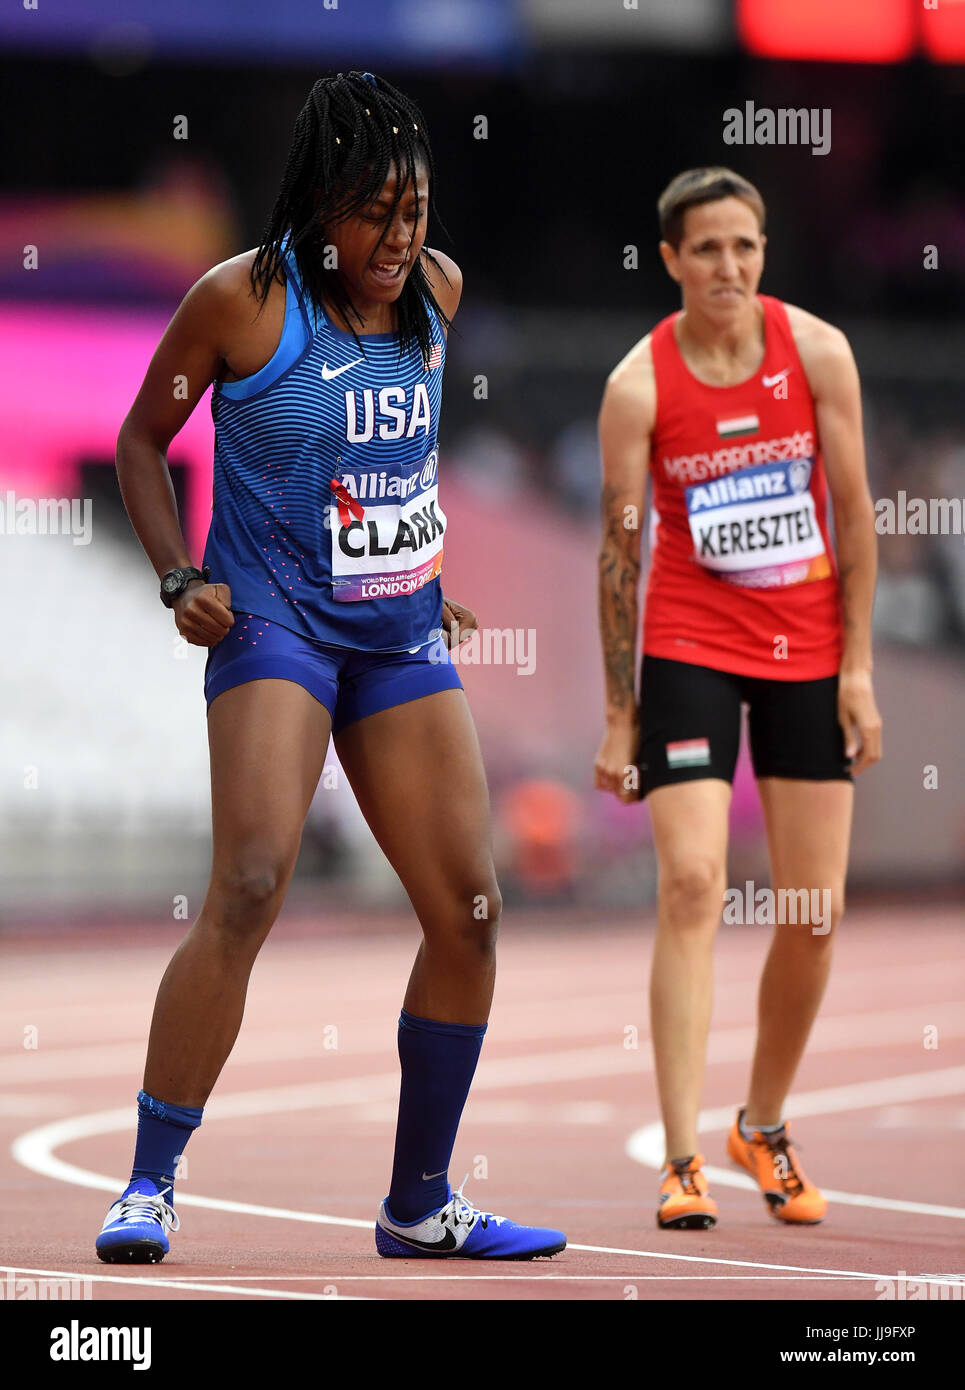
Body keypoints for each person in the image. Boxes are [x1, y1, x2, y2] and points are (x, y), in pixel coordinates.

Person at [97, 71, 565, 1263]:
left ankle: (419, 1203)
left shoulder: (436, 296)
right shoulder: (239, 304)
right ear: (320, 208)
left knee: (470, 909)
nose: (403, 239)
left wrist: (416, 561)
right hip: (273, 627)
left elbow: (394, 458)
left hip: (397, 632)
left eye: (416, 211)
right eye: (377, 214)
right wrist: (171, 576)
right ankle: (147, 1183)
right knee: (250, 883)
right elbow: (143, 440)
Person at [594, 167, 881, 1230]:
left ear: (764, 253)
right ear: (668, 259)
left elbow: (852, 518)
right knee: (693, 882)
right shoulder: (637, 386)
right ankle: (679, 1157)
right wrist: (620, 712)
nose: (727, 267)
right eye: (705, 249)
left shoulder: (816, 354)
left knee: (812, 911)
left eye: (744, 248)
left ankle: (759, 1124)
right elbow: (618, 558)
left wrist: (855, 670)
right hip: (689, 641)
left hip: (805, 644)